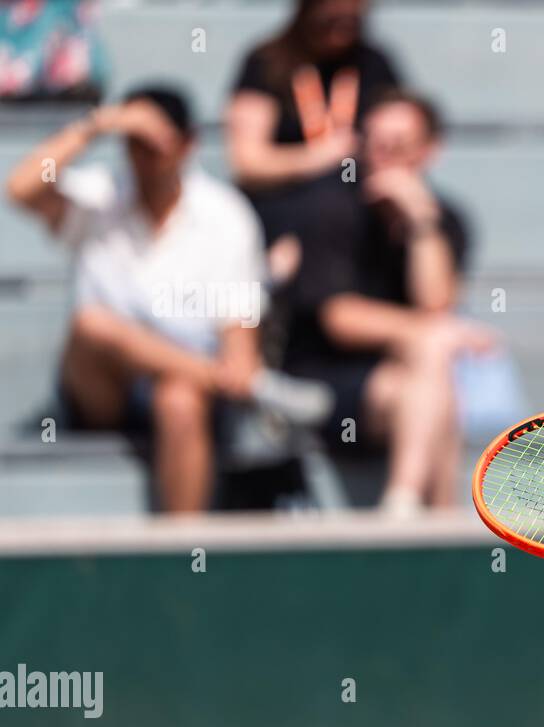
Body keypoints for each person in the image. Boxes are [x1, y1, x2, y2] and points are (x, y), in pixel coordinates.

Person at [5, 85, 327, 513]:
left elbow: (239, 329)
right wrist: (95, 125)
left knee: (178, 399)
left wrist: (237, 369)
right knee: (93, 325)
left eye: (153, 144)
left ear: (187, 144)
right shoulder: (100, 195)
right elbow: (21, 187)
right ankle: (258, 391)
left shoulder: (226, 216)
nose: (142, 159)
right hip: (101, 387)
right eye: (132, 144)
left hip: (187, 391)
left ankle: (183, 558)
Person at [281, 89, 503, 512]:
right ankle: (436, 525)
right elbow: (340, 319)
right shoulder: (331, 206)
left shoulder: (444, 218)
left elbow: (436, 303)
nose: (382, 156)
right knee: (436, 363)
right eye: (374, 142)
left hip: (407, 383)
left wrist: (420, 223)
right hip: (323, 379)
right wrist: (435, 333)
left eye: (398, 146)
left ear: (428, 151)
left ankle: (405, 505)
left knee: (433, 383)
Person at [226, 0, 401, 243]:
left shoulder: (374, 63)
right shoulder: (268, 63)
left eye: (352, 15)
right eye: (332, 15)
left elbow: (405, 133)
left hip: (359, 205)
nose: (342, 22)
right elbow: (248, 164)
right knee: (324, 210)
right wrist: (318, 156)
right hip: (284, 204)